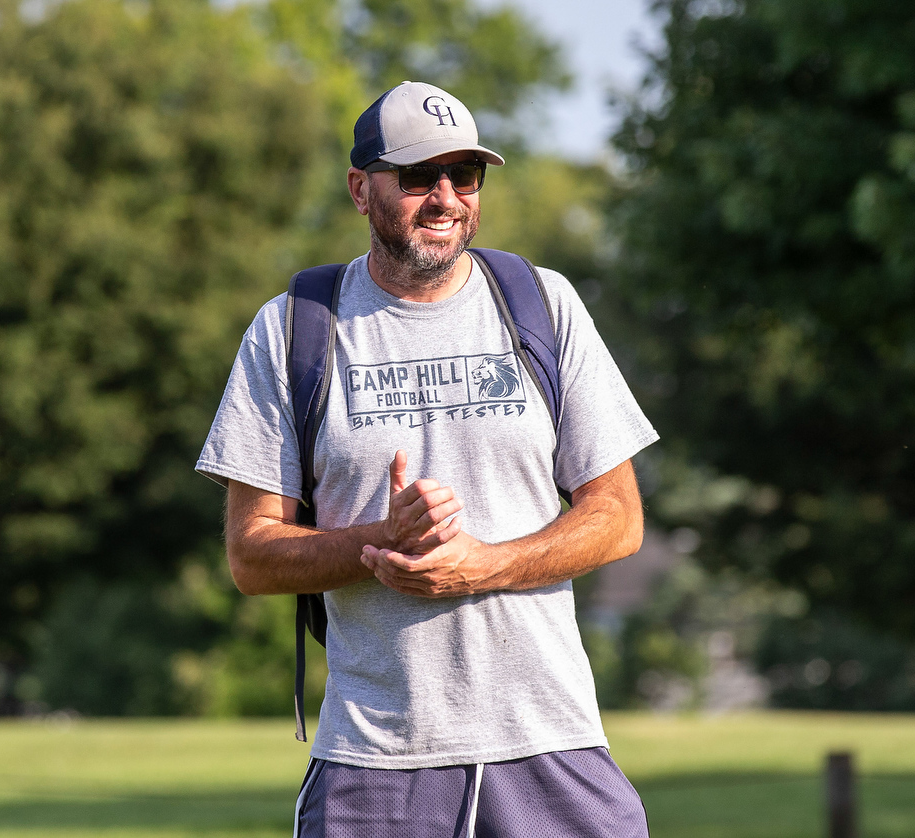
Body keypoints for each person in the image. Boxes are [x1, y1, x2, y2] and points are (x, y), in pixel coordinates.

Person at [197, 81, 658, 838]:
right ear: (361, 189)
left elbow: (618, 518)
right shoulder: (291, 329)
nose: (445, 197)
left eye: (464, 174)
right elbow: (252, 556)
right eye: (418, 175)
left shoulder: (544, 304)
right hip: (374, 764)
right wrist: (381, 541)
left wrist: (485, 566)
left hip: (552, 746)